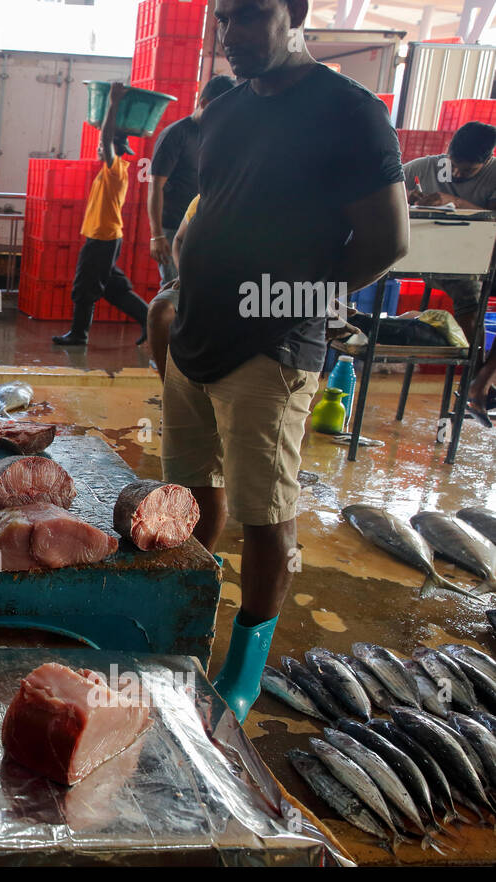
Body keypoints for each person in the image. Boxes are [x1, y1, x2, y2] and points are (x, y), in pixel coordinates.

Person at [167, 0, 408, 721]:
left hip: (270, 350)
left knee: (264, 516)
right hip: (196, 335)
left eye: (252, 16)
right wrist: (182, 283)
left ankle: (242, 672)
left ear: (295, 13)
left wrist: (291, 301)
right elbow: (218, 208)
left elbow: (387, 241)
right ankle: (185, 628)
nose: (233, 34)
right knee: (191, 496)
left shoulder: (350, 112)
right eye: (223, 19)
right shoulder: (227, 111)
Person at [402, 121, 496, 426]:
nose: (456, 174)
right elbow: (384, 194)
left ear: (487, 159)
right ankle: (476, 381)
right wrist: (408, 199)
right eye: (454, 165)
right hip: (440, 261)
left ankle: (480, 382)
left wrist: (456, 202)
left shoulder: (493, 175)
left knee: (476, 285)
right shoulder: (425, 168)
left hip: (486, 262)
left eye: (467, 171)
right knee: (470, 293)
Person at [52, 82, 149, 347]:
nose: (99, 148)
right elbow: (105, 140)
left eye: (104, 147)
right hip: (104, 237)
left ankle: (79, 335)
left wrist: (113, 103)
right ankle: (149, 320)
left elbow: (106, 138)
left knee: (85, 287)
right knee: (114, 288)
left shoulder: (115, 168)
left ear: (113, 150)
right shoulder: (113, 171)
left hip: (103, 238)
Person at [147, 75, 235, 285]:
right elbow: (155, 187)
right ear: (204, 103)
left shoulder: (216, 136)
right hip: (172, 228)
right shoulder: (175, 134)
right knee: (174, 292)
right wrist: (157, 235)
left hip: (200, 227)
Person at [147, 194, 199, 378]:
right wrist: (184, 275)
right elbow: (178, 240)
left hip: (240, 289)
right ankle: (169, 387)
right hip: (195, 283)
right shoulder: (202, 200)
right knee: (159, 310)